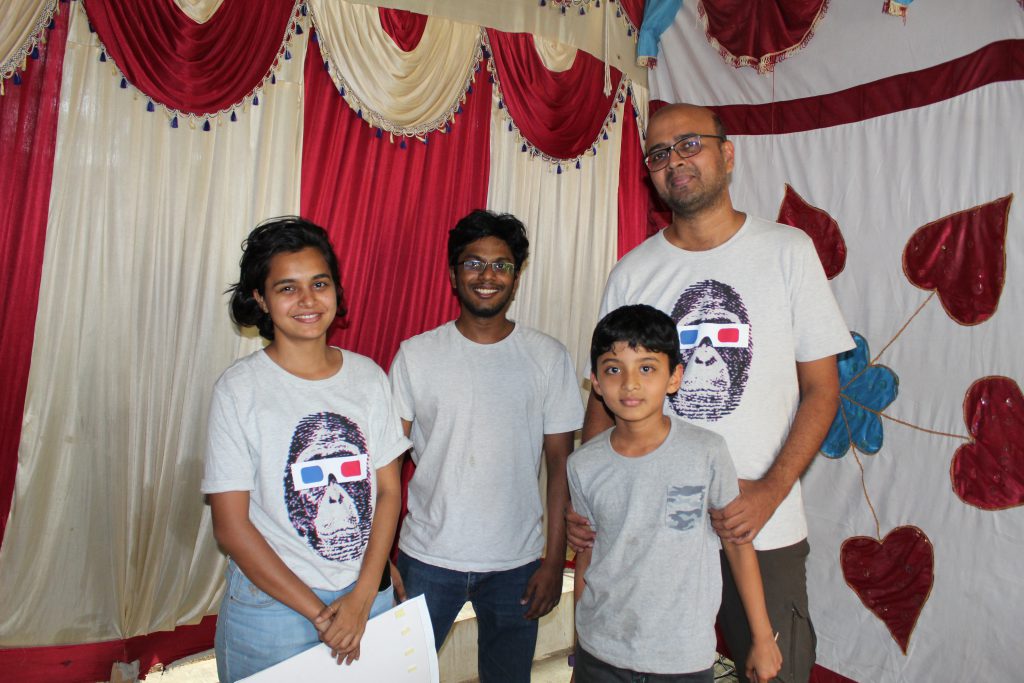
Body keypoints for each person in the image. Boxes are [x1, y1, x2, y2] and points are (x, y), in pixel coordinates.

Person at [569, 104, 854, 682]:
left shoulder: (788, 251)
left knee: (773, 669)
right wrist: (581, 499)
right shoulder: (633, 272)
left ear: (727, 154)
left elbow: (823, 390)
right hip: (649, 529)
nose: (674, 160)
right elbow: (605, 394)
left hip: (759, 524)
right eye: (658, 153)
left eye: (689, 144)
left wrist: (772, 491)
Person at [201, 217, 410, 682]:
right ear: (260, 298)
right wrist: (322, 615)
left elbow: (389, 492)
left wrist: (362, 596)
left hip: (365, 600)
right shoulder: (239, 390)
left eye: (319, 283)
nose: (308, 300)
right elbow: (231, 526)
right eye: (287, 288)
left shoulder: (369, 378)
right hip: (271, 610)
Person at [389, 209, 584, 682]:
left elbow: (561, 467)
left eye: (502, 265)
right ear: (454, 274)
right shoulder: (416, 355)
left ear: (517, 278)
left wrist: (555, 560)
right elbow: (386, 471)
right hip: (426, 559)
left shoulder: (547, 357)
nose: (487, 276)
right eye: (474, 263)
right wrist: (383, 563)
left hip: (517, 564)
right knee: (400, 676)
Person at [569, 304, 782, 682]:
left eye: (647, 368)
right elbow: (587, 551)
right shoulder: (583, 465)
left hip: (680, 657)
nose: (630, 383)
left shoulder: (706, 452)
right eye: (614, 369)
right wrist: (579, 636)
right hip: (600, 651)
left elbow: (736, 543)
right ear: (596, 383)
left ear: (674, 377)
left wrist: (762, 638)